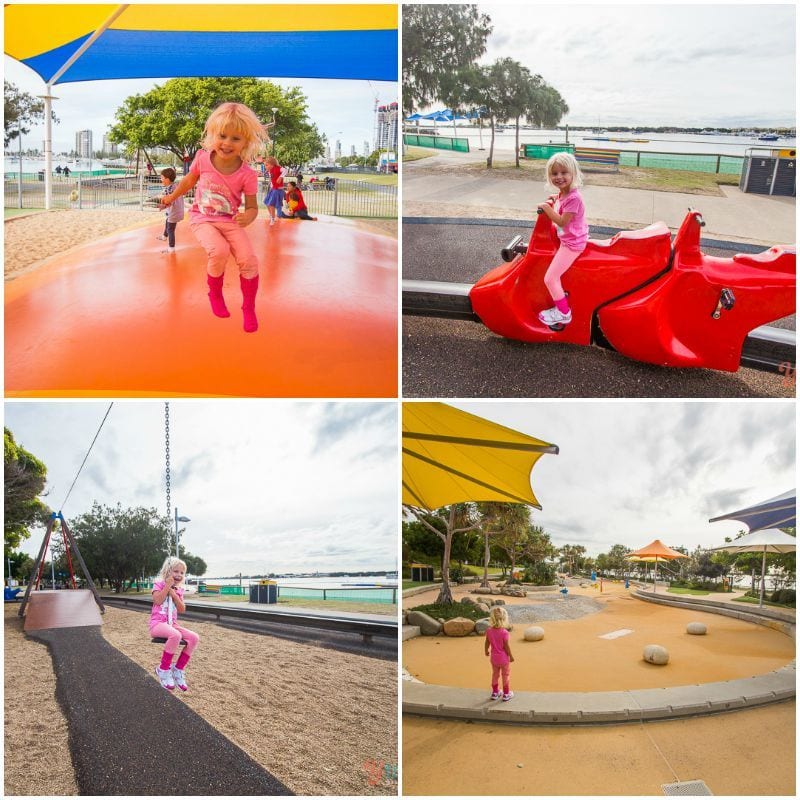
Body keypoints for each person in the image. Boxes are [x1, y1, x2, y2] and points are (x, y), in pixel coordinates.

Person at [160, 102, 270, 333]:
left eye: (236, 139)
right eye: (222, 136)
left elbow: (252, 207)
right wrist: (170, 198)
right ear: (213, 134)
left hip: (229, 221)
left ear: (246, 143)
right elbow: (189, 181)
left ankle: (248, 308)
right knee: (218, 251)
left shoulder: (247, 174)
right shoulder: (203, 158)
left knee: (249, 261)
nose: (227, 143)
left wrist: (248, 218)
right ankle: (215, 293)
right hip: (203, 218)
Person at [536, 152, 589, 328]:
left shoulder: (574, 198)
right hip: (570, 237)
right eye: (554, 173)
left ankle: (563, 313)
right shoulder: (564, 193)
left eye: (563, 172)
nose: (559, 177)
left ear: (573, 174)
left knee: (550, 278)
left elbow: (562, 221)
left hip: (572, 244)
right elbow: (562, 204)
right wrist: (553, 200)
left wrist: (546, 208)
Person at [150, 556, 200, 691]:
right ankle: (163, 669)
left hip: (172, 624)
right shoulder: (159, 584)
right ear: (168, 571)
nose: (179, 575)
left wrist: (174, 594)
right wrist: (167, 586)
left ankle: (178, 669)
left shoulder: (179, 590)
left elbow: (182, 609)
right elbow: (158, 601)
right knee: (176, 635)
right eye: (175, 571)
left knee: (194, 637)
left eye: (182, 573)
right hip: (157, 624)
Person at [484, 605, 514, 701]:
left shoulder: (489, 631)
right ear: (504, 618)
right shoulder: (504, 632)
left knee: (495, 675)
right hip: (504, 658)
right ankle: (506, 694)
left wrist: (486, 651)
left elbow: (487, 642)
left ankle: (495, 693)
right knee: (505, 675)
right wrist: (511, 656)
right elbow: (506, 646)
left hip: (494, 658)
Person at [155, 168, 184, 253]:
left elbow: (170, 202)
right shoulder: (175, 186)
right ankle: (164, 236)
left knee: (171, 229)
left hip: (174, 212)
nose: (161, 180)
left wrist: (162, 206)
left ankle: (171, 248)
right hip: (177, 210)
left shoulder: (169, 189)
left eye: (162, 178)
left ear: (167, 179)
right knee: (168, 222)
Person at [263, 155, 286, 225]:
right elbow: (273, 180)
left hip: (277, 190)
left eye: (266, 165)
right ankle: (271, 216)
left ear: (271, 164)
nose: (265, 167)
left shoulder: (278, 168)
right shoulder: (270, 171)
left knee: (271, 204)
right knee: (266, 202)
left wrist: (281, 177)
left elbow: (285, 170)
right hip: (273, 189)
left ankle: (272, 218)